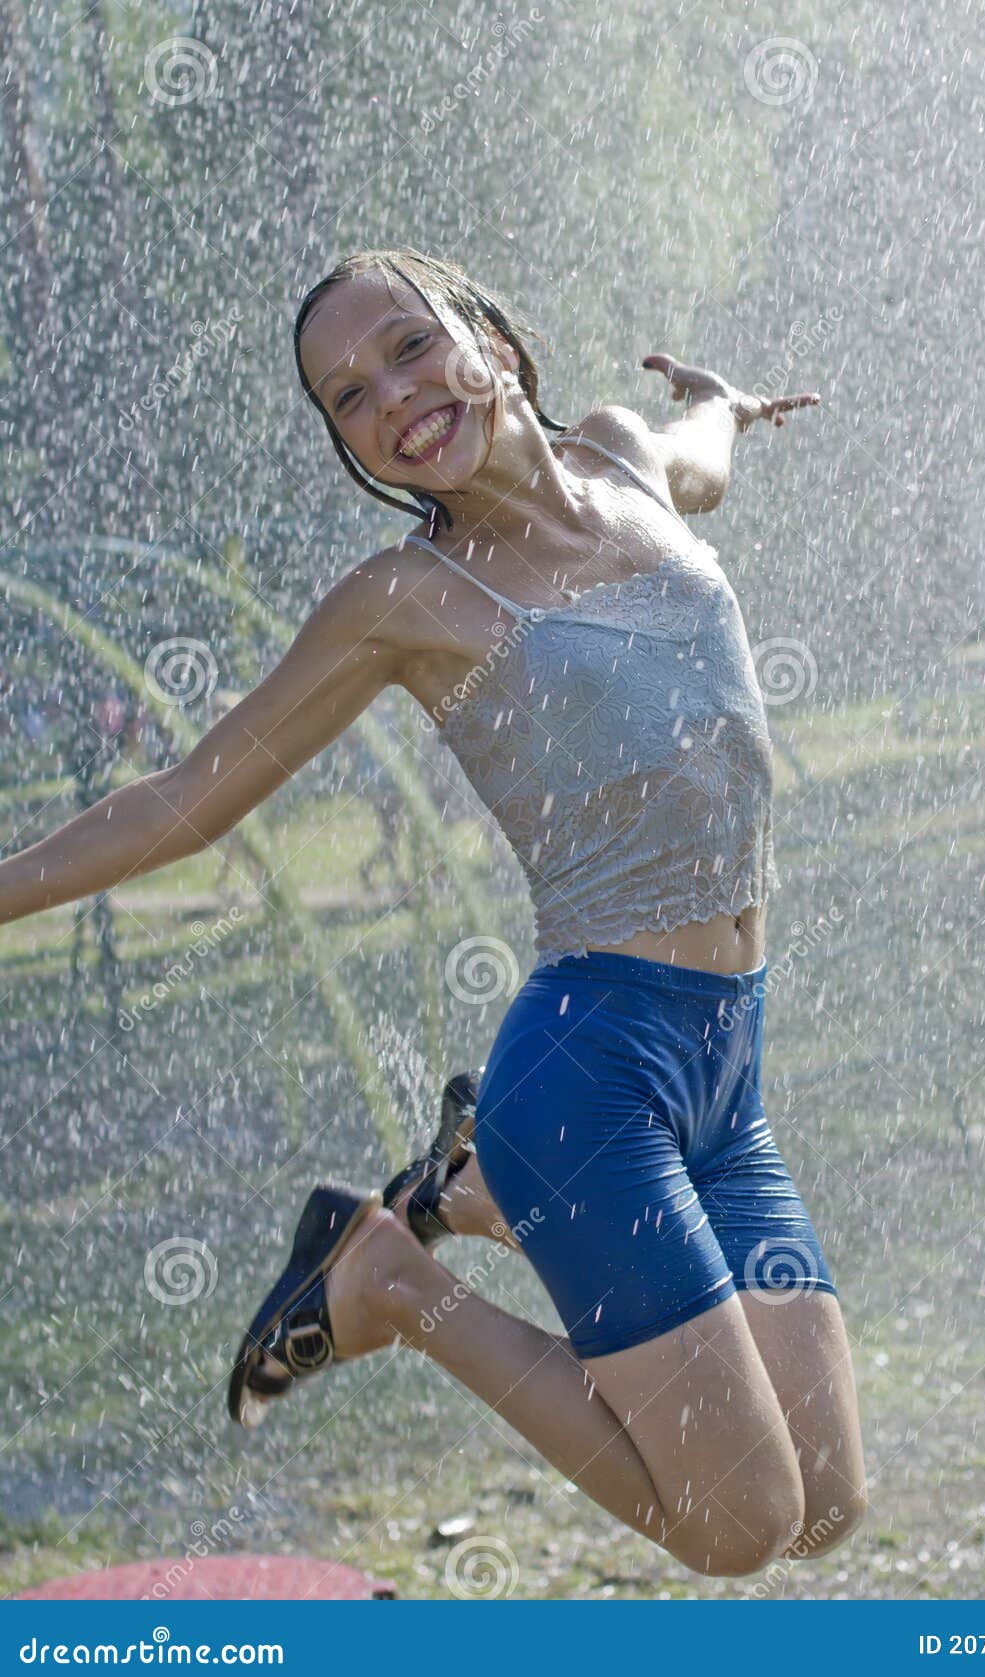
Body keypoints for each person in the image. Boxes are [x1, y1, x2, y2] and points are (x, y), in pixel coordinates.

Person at [0, 249, 865, 1579]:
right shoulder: (406, 602)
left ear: (494, 338)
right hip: (590, 1069)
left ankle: (467, 1191)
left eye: (409, 346)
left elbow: (705, 457)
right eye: (348, 395)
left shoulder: (629, 458)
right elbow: (184, 797)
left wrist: (729, 406)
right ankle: (390, 1283)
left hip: (727, 1063)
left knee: (821, 1504)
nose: (391, 397)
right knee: (739, 1526)